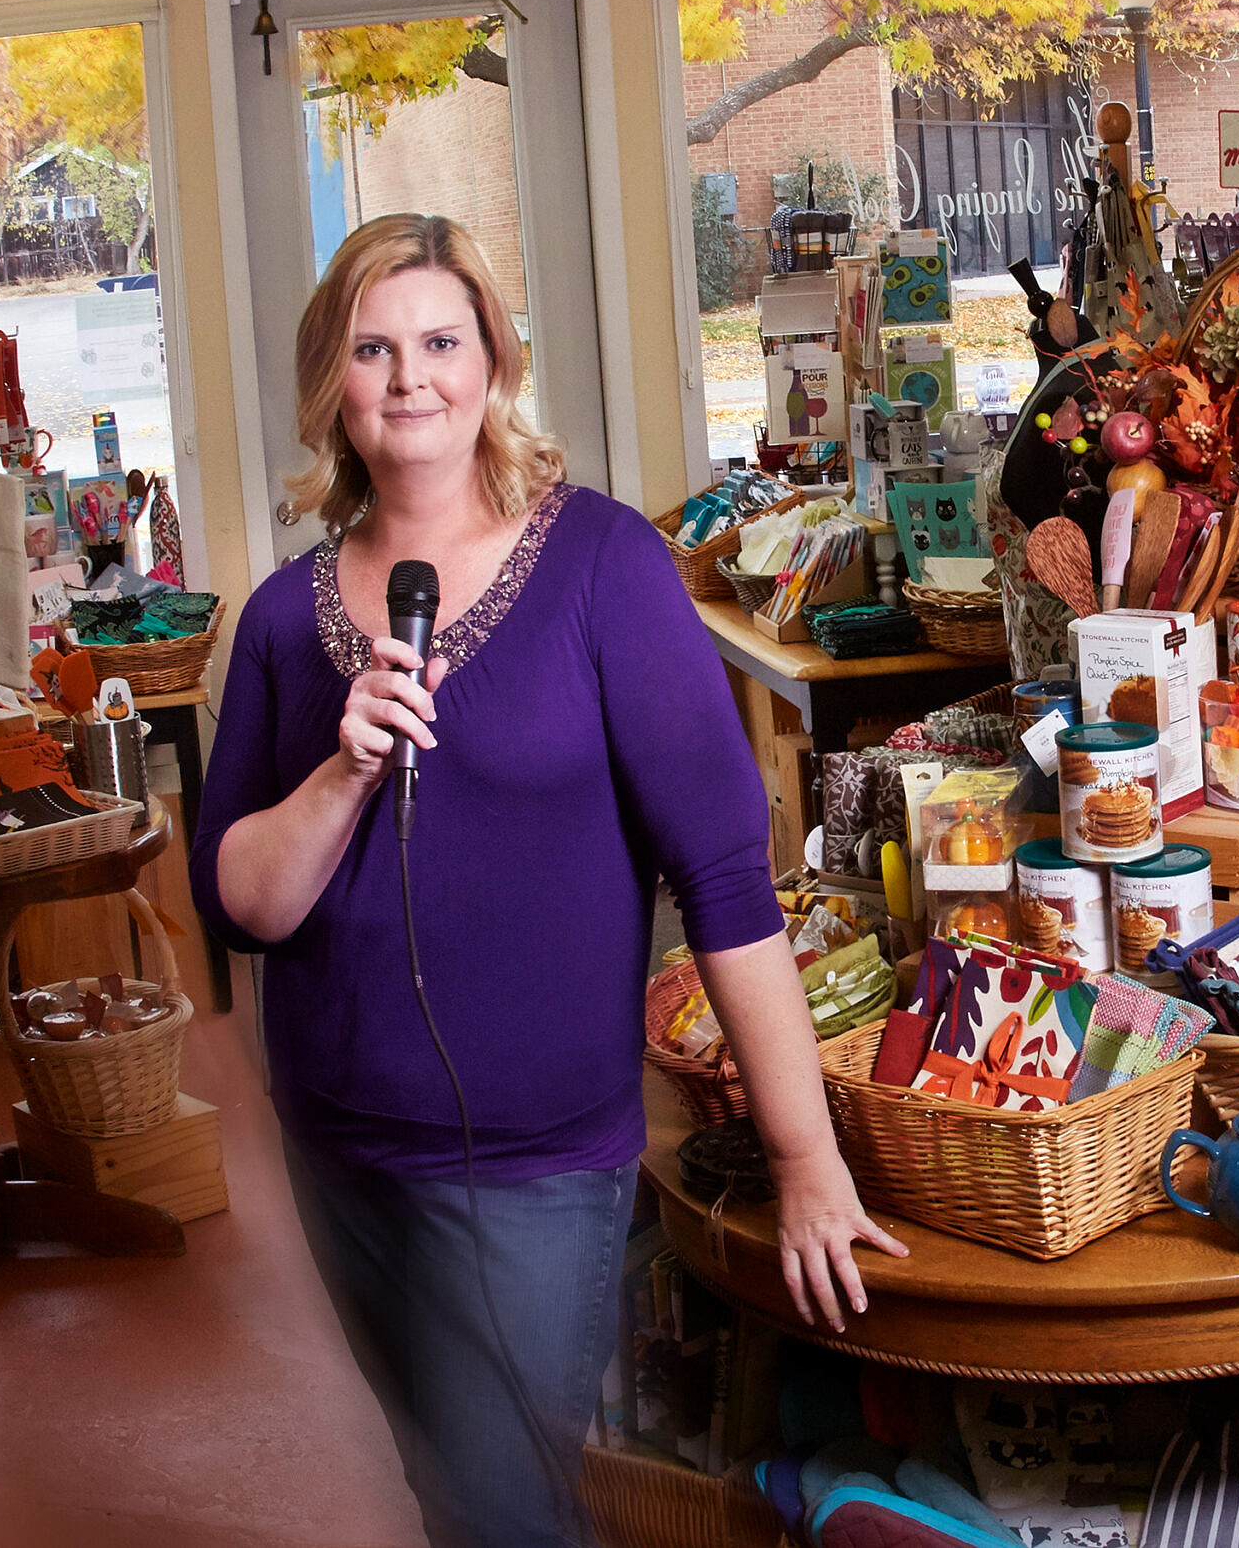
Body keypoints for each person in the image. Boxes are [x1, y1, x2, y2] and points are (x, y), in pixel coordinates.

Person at [189, 212, 903, 1547]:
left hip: (531, 1170)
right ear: (332, 383)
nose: (411, 378)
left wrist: (806, 1159)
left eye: (441, 342)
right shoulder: (287, 616)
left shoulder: (603, 567)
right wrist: (344, 770)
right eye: (374, 349)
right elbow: (240, 906)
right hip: (338, 1154)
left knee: (505, 1517)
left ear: (494, 363)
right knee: (449, 1505)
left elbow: (724, 879)